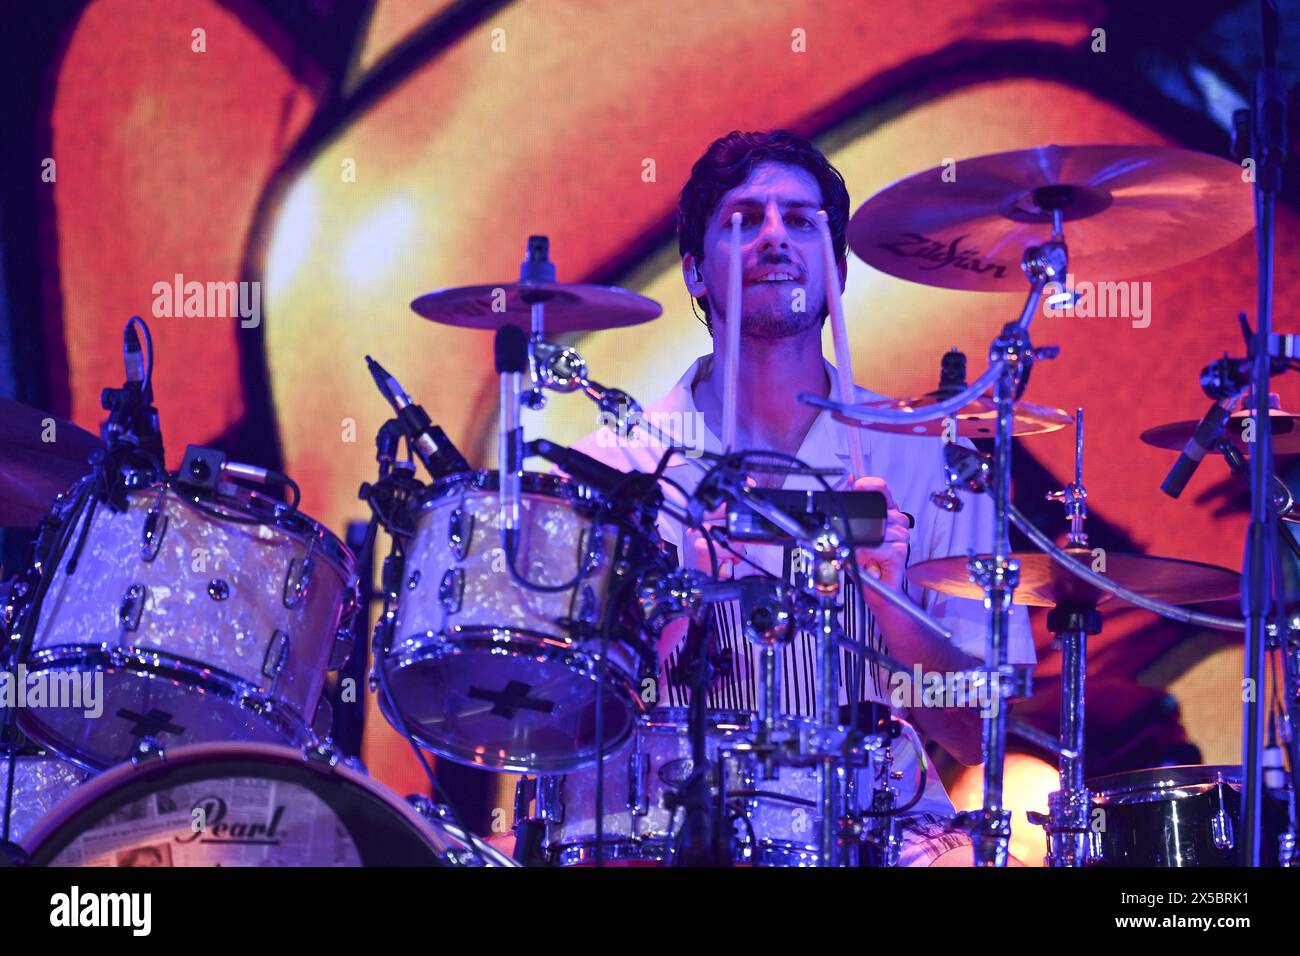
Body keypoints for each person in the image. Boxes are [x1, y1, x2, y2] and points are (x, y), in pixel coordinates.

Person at [566, 129, 1036, 866]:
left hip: (881, 824)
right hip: (671, 827)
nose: (774, 237)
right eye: (743, 219)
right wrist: (678, 604)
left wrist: (893, 606)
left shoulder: (933, 459)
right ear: (695, 272)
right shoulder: (614, 466)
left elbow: (983, 734)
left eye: (801, 220)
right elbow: (566, 724)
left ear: (837, 270)